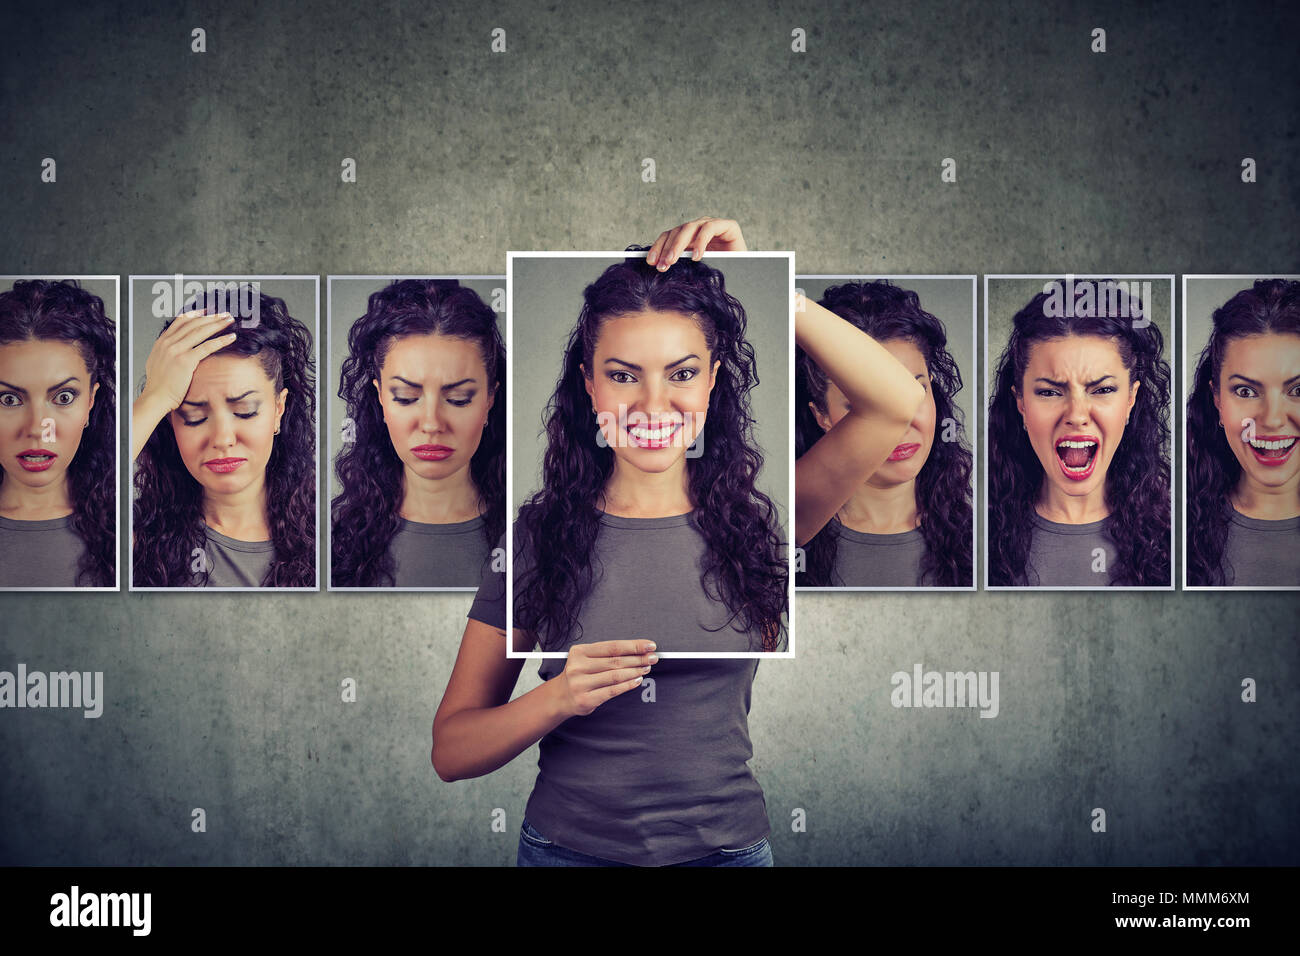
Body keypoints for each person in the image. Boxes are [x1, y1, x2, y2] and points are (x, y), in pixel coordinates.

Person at [433, 217, 788, 866]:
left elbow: (890, 407)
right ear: (590, 382)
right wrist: (558, 696)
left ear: (713, 378)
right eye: (624, 376)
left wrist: (778, 280)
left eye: (681, 374)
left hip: (727, 853)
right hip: (568, 854)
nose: (653, 404)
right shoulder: (539, 537)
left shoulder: (760, 529)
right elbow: (451, 750)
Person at [987, 279, 1171, 586]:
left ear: (1130, 399)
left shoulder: (1179, 541)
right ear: (1020, 401)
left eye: (1102, 390)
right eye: (1049, 393)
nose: (1076, 415)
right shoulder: (979, 540)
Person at [132, 285, 316, 587]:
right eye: (195, 417)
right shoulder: (135, 535)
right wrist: (154, 396)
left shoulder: (333, 535)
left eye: (244, 411)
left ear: (278, 410)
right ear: (170, 421)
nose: (222, 438)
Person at [795, 281, 971, 586]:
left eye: (917, 390)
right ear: (821, 415)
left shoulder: (988, 540)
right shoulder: (788, 521)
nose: (901, 424)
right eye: (860, 405)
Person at [331, 279, 504, 587]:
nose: (431, 423)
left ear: (490, 399)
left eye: (458, 399)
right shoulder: (329, 541)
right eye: (406, 397)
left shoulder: (526, 538)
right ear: (381, 397)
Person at [0, 279, 117, 587]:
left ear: (91, 400)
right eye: (9, 399)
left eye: (63, 397)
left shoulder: (129, 533)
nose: (38, 428)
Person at [1187, 278, 1300, 586]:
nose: (1273, 420)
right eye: (1246, 391)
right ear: (1217, 400)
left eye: (1298, 389)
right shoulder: (1172, 534)